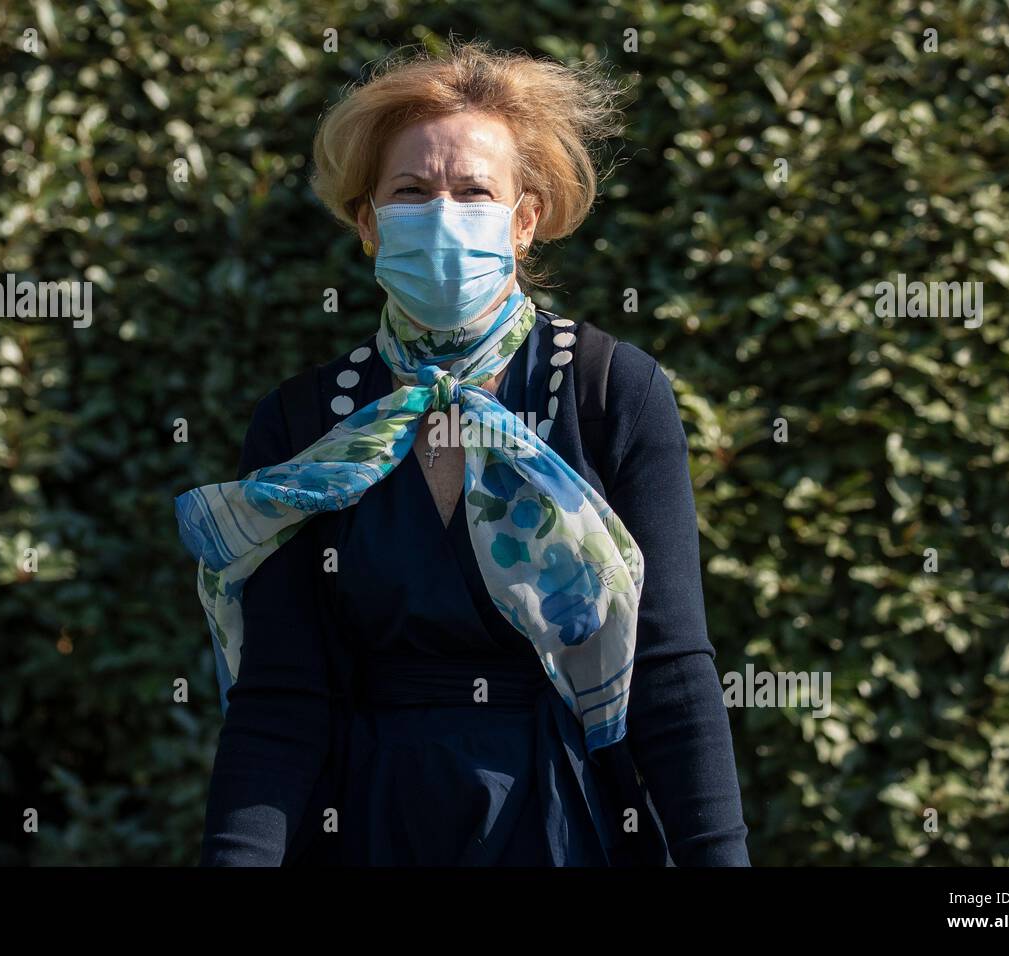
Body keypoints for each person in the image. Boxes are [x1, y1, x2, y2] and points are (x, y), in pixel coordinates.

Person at [175, 40, 750, 866]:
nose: (443, 212)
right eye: (411, 191)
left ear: (524, 220)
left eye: (474, 190)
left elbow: (670, 672)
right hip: (366, 827)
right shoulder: (304, 422)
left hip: (571, 823)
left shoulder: (610, 390)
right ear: (368, 224)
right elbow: (281, 695)